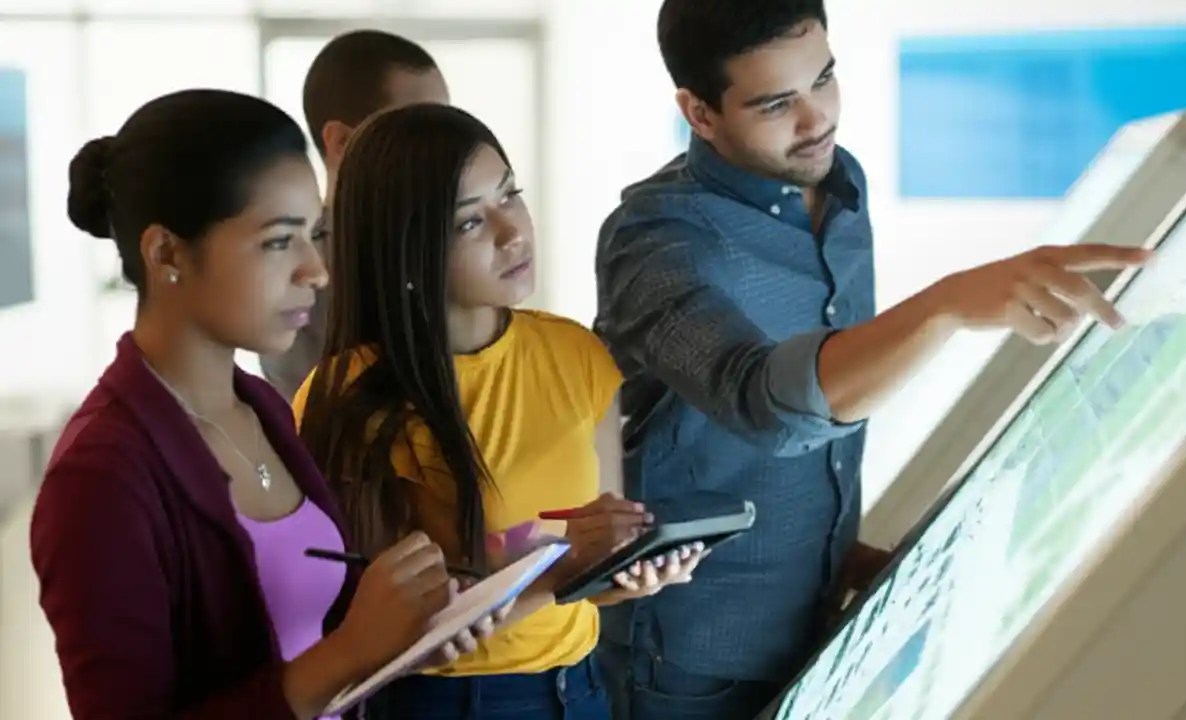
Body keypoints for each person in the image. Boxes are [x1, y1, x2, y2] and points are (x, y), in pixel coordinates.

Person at [591, 1, 1152, 718]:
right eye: (776, 104)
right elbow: (760, 401)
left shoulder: (841, 188)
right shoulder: (656, 239)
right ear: (699, 113)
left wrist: (842, 558)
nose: (816, 119)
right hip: (689, 664)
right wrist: (946, 305)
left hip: (823, 637)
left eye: (824, 80)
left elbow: (791, 453)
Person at [31, 89, 500, 720]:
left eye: (313, 235)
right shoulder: (101, 476)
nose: (316, 271)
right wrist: (353, 649)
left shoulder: (266, 410)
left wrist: (415, 625)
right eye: (279, 242)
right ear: (166, 252)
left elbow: (305, 632)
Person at [294, 103, 705, 720]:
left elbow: (589, 565)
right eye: (468, 222)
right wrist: (562, 570)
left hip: (583, 689)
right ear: (406, 248)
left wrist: (628, 569)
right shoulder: (351, 398)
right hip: (450, 704)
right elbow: (388, 645)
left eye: (510, 194)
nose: (512, 231)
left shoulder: (576, 353)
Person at [260, 29, 451, 400]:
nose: (444, 149)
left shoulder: (441, 240)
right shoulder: (298, 265)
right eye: (418, 129)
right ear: (341, 142)